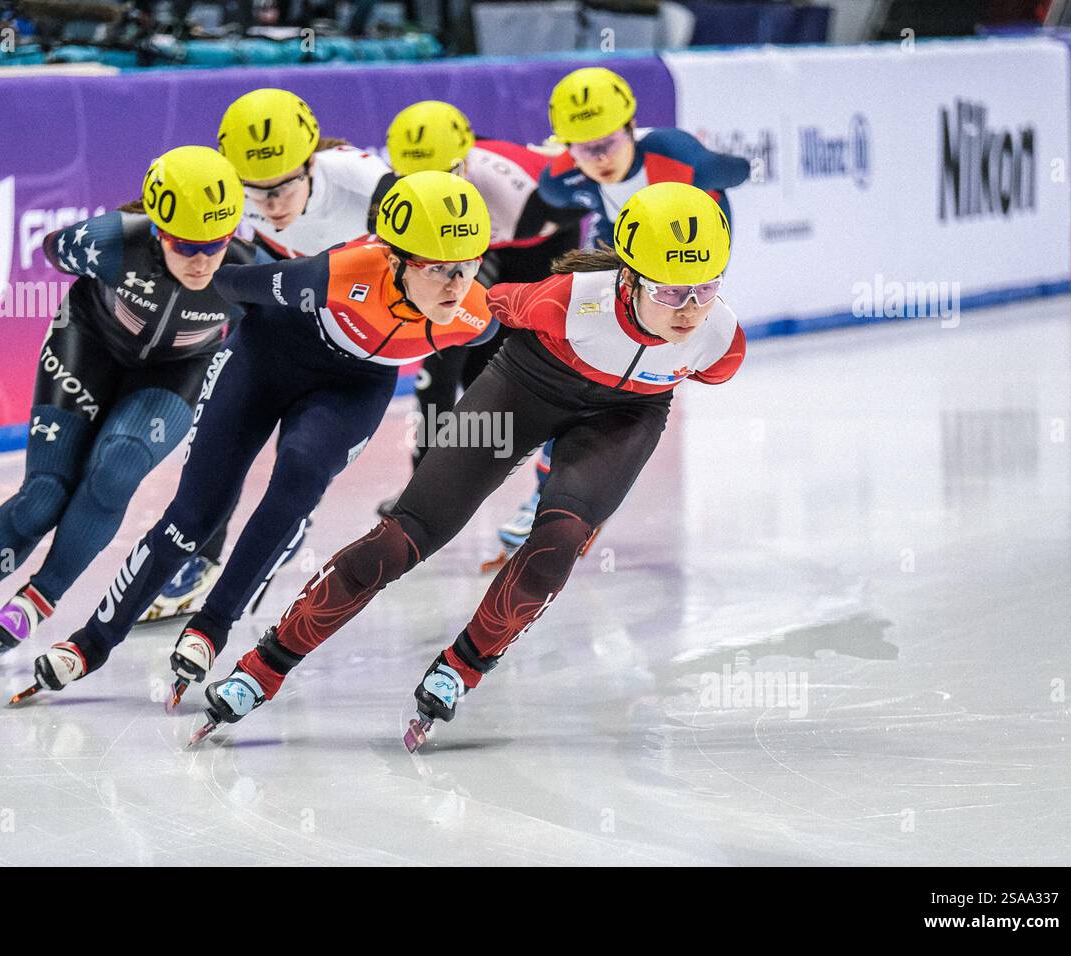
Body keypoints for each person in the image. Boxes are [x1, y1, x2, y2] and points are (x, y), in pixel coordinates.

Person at [187, 182, 747, 750]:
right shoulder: (566, 299)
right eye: (671, 293)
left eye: (706, 290)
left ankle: (464, 666)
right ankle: (264, 667)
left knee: (558, 546)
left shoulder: (720, 343)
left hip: (626, 416)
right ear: (627, 280)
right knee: (403, 538)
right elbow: (475, 309)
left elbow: (691, 367)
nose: (691, 310)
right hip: (525, 389)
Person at [8, 171, 498, 705]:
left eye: (467, 266)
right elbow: (228, 284)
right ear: (396, 257)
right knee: (196, 512)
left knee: (300, 480)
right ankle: (92, 641)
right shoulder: (338, 272)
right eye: (441, 270)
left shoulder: (478, 314)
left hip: (352, 388)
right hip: (264, 361)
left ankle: (213, 625)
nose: (457, 285)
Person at [0, 146, 251, 670]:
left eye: (216, 244)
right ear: (159, 229)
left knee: (115, 468)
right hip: (89, 346)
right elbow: (56, 251)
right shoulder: (113, 241)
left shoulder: (250, 272)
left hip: (175, 374)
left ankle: (40, 596)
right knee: (43, 496)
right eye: (188, 246)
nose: (203, 261)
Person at [144, 87, 398, 622]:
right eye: (255, 194)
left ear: (310, 163)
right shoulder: (227, 185)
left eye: (283, 189)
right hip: (285, 290)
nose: (272, 207)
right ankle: (202, 554)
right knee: (226, 439)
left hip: (354, 306)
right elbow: (158, 223)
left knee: (303, 455)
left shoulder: (369, 187)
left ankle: (272, 537)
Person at [489, 66, 753, 559]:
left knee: (622, 374)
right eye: (583, 148)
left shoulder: (674, 154)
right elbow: (552, 193)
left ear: (631, 126)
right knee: (577, 361)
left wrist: (712, 171)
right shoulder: (566, 176)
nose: (599, 158)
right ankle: (549, 491)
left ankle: (574, 490)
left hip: (685, 271)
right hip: (627, 257)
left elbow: (737, 169)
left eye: (607, 142)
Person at [374, 100, 584, 528]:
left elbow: (607, 188)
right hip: (469, 247)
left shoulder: (531, 192)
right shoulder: (393, 199)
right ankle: (424, 484)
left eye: (441, 176)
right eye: (412, 180)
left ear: (466, 162)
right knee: (440, 348)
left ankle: (562, 487)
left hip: (536, 248)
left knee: (530, 367)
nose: (427, 191)